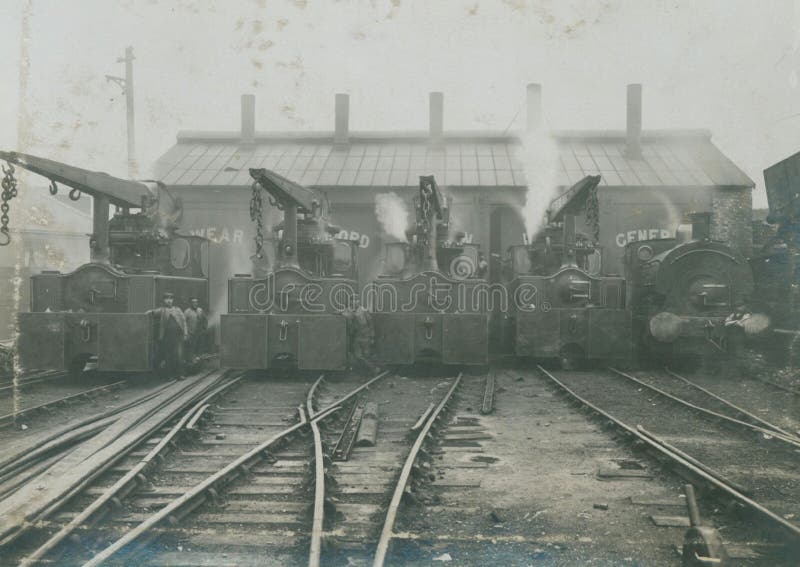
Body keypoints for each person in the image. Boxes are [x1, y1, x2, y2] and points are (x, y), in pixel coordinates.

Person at [148, 292, 188, 379]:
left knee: (179, 355)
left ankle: (180, 374)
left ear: (173, 300)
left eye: (170, 299)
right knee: (168, 356)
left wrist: (185, 333)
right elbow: (153, 312)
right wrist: (147, 312)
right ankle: (170, 375)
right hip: (167, 337)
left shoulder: (178, 310)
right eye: (167, 299)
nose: (169, 301)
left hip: (178, 337)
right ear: (164, 300)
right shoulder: (162, 310)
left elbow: (184, 322)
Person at [346, 295, 378, 375]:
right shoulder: (348, 310)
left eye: (357, 300)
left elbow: (370, 324)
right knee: (358, 355)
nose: (355, 301)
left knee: (366, 355)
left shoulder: (364, 311)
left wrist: (372, 337)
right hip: (356, 336)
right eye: (353, 300)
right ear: (350, 301)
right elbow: (344, 314)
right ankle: (373, 369)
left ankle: (369, 372)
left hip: (365, 336)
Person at [723, 302, 752, 377]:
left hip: (740, 338)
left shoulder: (747, 315)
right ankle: (730, 374)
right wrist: (736, 321)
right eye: (739, 306)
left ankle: (739, 374)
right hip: (731, 337)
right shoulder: (733, 314)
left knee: (739, 355)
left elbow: (742, 325)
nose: (740, 308)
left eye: (742, 306)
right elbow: (726, 323)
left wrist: (732, 322)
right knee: (731, 355)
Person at [184, 297, 208, 366]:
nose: (195, 304)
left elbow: (205, 319)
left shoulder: (200, 310)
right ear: (190, 303)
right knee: (191, 348)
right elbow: (183, 322)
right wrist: (186, 333)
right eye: (193, 302)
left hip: (199, 333)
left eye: (196, 302)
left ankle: (198, 362)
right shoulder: (187, 312)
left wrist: (204, 328)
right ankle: (191, 363)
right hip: (190, 333)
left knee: (199, 347)